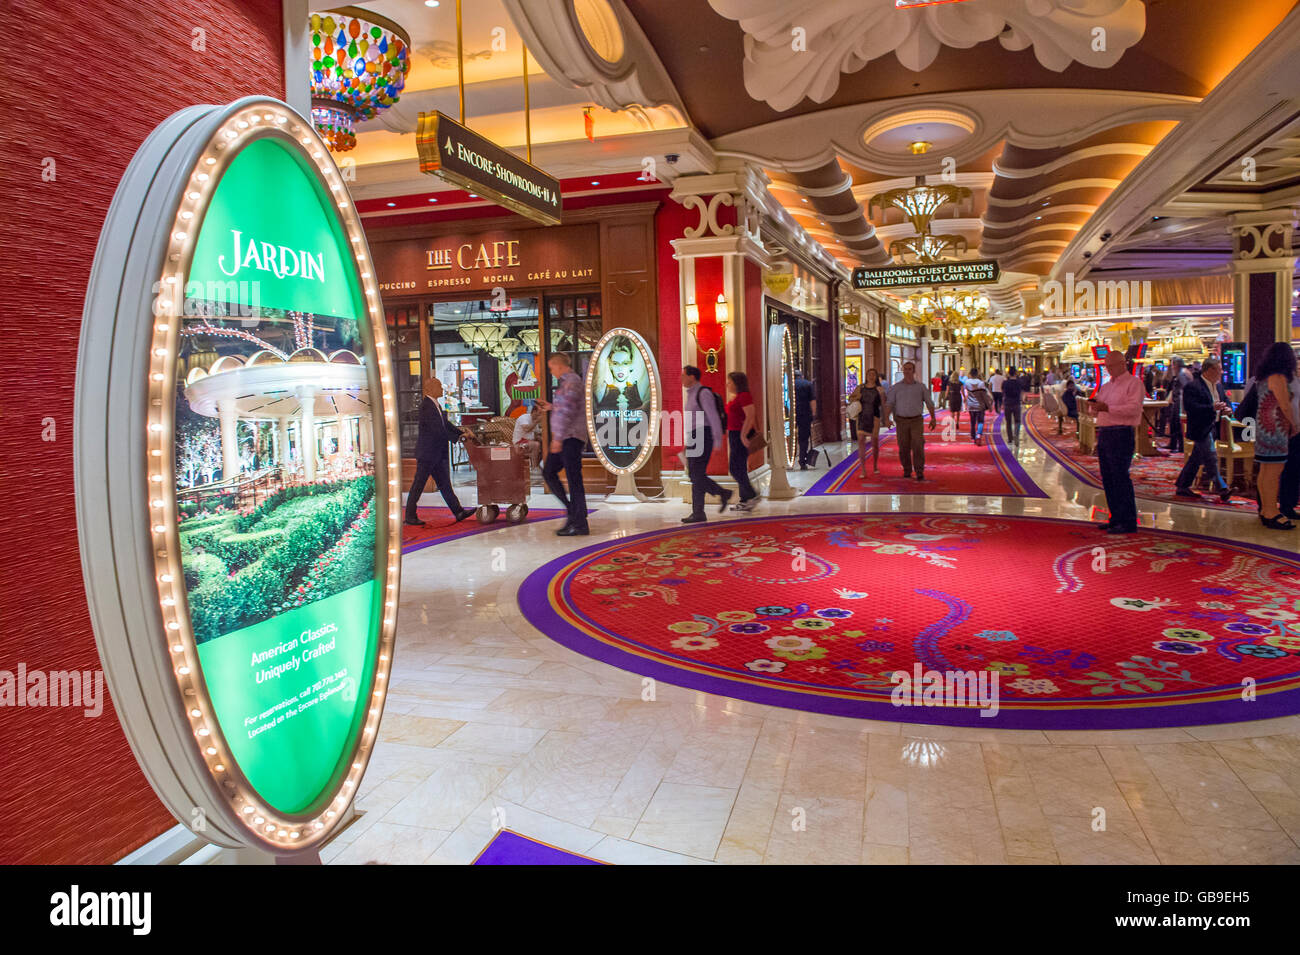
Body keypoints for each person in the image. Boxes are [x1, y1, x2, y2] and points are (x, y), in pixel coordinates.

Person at [404, 377, 473, 527]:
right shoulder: (427, 406)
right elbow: (438, 430)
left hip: (435, 453)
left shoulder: (435, 404)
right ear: (430, 390)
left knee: (444, 484)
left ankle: (459, 512)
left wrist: (459, 432)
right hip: (428, 454)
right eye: (439, 386)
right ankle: (409, 516)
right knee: (419, 485)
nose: (442, 389)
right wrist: (458, 437)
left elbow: (445, 424)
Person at [1089, 349, 1145, 534]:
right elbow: (1098, 408)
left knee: (1120, 477)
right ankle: (1115, 517)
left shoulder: (1133, 384)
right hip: (1105, 433)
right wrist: (1096, 407)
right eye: (1106, 366)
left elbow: (1133, 409)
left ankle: (1128, 521)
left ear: (1123, 364)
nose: (1109, 369)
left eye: (1111, 366)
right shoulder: (1106, 386)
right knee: (1108, 478)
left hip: (1121, 433)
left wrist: (1108, 408)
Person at [536, 353, 589, 536]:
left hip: (569, 437)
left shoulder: (572, 382)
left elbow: (568, 412)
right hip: (568, 436)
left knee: (570, 478)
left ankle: (578, 520)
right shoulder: (569, 382)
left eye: (551, 368)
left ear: (558, 366)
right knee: (551, 471)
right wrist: (552, 407)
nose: (551, 372)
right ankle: (574, 515)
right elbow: (566, 407)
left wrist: (557, 439)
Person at [1252, 341, 1298, 529]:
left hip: (1264, 426)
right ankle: (1271, 511)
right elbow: (1284, 405)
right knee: (1273, 472)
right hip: (1275, 428)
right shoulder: (1278, 377)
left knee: (1265, 471)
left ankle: (1266, 510)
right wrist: (1294, 425)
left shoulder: (1263, 377)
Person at [1174, 359, 1232, 504]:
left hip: (1214, 427)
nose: (1221, 372)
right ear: (1209, 370)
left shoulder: (1218, 387)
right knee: (1211, 456)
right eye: (1219, 369)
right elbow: (1192, 408)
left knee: (1196, 459)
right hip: (1201, 428)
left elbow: (1225, 401)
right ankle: (1222, 488)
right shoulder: (1193, 386)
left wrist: (1228, 409)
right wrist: (1212, 408)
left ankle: (1182, 485)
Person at [681, 365, 731, 523]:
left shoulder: (703, 393)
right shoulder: (691, 394)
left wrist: (717, 441)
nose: (681, 379)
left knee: (696, 474)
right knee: (694, 474)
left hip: (703, 436)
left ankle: (700, 510)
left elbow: (713, 416)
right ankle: (704, 507)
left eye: (683, 375)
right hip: (694, 436)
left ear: (692, 377)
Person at [884, 360, 938, 480]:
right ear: (903, 371)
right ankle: (907, 469)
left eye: (910, 369)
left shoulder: (921, 387)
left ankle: (919, 470)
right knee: (903, 446)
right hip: (901, 421)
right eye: (905, 369)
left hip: (916, 420)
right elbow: (889, 403)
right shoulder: (896, 388)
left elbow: (929, 403)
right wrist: (887, 419)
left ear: (913, 371)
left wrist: (933, 418)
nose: (907, 371)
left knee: (918, 445)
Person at [725, 371, 761, 511]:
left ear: (737, 383)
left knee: (734, 468)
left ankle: (751, 494)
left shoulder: (744, 396)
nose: (727, 384)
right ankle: (745, 500)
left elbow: (750, 415)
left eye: (730, 382)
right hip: (735, 435)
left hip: (740, 435)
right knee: (739, 467)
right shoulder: (738, 397)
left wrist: (743, 435)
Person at [847, 367, 887, 479]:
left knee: (874, 442)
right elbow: (851, 398)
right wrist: (857, 397)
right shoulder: (860, 388)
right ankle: (863, 469)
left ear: (876, 376)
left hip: (874, 417)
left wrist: (886, 419)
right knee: (861, 441)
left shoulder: (879, 389)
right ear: (866, 376)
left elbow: (884, 404)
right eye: (869, 374)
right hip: (862, 417)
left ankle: (875, 465)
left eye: (873, 374)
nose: (871, 376)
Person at [793, 369, 817, 469]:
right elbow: (812, 400)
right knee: (803, 438)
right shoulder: (808, 384)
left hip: (791, 415)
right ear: (801, 376)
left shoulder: (789, 385)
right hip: (805, 414)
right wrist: (813, 414)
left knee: (791, 438)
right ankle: (802, 461)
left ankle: (789, 459)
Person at [962, 368, 992, 445]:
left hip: (971, 405)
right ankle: (978, 435)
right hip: (980, 405)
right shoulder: (981, 383)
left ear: (970, 374)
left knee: (972, 421)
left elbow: (965, 392)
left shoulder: (967, 382)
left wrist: (965, 400)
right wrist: (989, 406)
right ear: (977, 374)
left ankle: (972, 436)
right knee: (980, 421)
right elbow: (984, 396)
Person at [1165, 357, 1187, 453]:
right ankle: (1173, 444)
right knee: (1173, 424)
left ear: (1177, 365)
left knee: (1179, 425)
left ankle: (1181, 447)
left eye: (1173, 365)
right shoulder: (1177, 376)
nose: (1172, 367)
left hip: (1181, 403)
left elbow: (1182, 391)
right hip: (1176, 402)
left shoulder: (1183, 374)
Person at [1001, 370, 1024, 444]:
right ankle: (1016, 435)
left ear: (1008, 374)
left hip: (1007, 403)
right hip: (1016, 403)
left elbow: (1003, 392)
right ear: (1015, 373)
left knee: (1008, 422)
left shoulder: (1005, 383)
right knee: (1017, 421)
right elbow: (1021, 392)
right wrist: (1022, 399)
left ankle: (1010, 438)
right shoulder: (1019, 382)